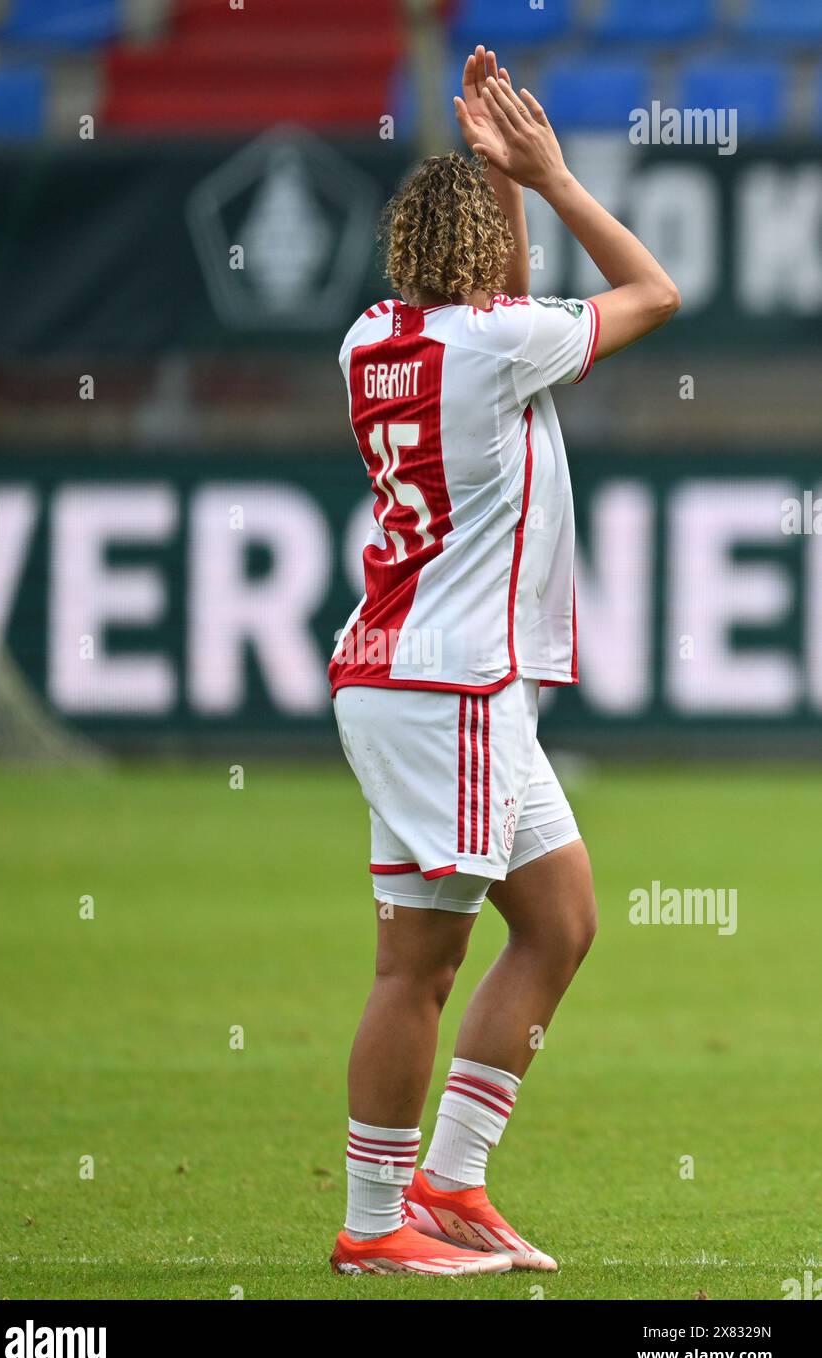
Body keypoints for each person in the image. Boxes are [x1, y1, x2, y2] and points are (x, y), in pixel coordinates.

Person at [328, 47, 680, 1276]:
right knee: (417, 963)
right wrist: (556, 177)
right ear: (482, 260)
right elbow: (656, 293)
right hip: (452, 682)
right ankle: (377, 1225)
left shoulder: (374, 337)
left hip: (416, 674)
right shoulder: (494, 349)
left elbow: (502, 303)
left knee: (563, 918)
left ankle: (452, 1181)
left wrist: (500, 185)